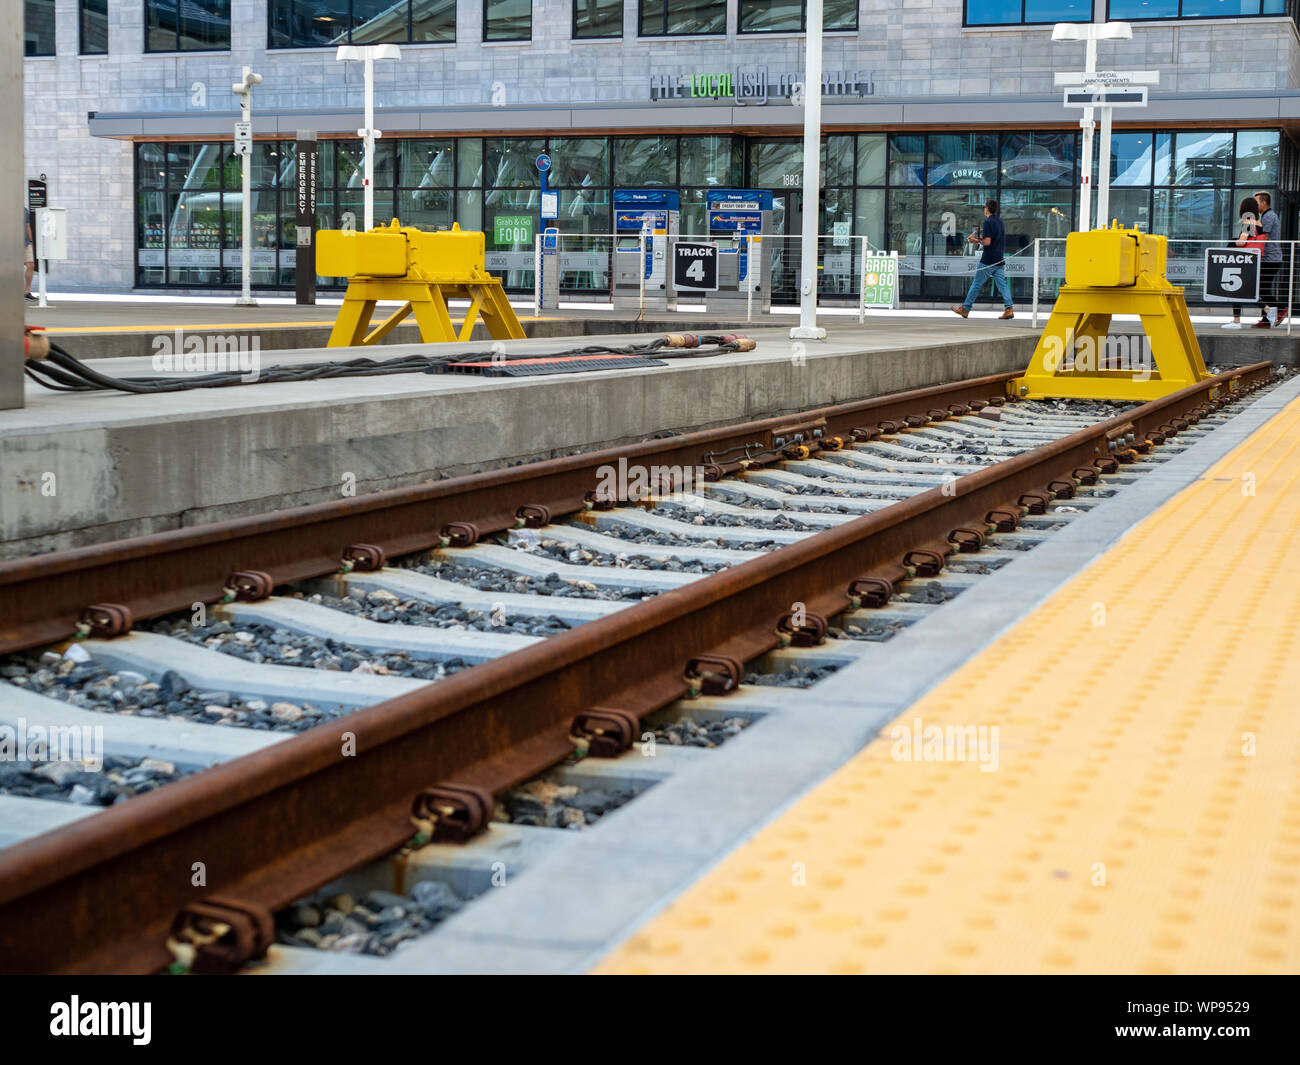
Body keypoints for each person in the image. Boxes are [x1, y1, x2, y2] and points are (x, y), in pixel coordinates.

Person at [952, 199, 1013, 320]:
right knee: (1003, 285)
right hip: (999, 259)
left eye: (984, 207)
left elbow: (987, 242)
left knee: (976, 284)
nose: (984, 209)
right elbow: (994, 240)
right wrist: (980, 239)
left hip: (988, 259)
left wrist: (976, 240)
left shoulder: (988, 222)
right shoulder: (1000, 222)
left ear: (987, 208)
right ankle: (1009, 309)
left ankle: (965, 309)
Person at [1223, 197, 1265, 330]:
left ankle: (1237, 321)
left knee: (1238, 289)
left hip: (1245, 259)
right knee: (1244, 289)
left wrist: (1232, 241)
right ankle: (1268, 310)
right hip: (1254, 258)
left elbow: (1242, 242)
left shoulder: (1248, 220)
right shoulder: (1259, 223)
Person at [1253, 190, 1285, 328]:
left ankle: (1279, 308)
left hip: (1270, 258)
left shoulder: (1268, 216)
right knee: (1262, 288)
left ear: (1263, 203)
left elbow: (1262, 237)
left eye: (1256, 203)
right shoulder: (1266, 216)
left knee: (1261, 289)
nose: (1255, 206)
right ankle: (1267, 318)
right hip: (1268, 258)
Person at [24, 206, 35, 302]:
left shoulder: (24, 210)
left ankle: (26, 292)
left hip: (25, 243)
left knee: (31, 265)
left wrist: (31, 241)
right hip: (11, 243)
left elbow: (28, 226)